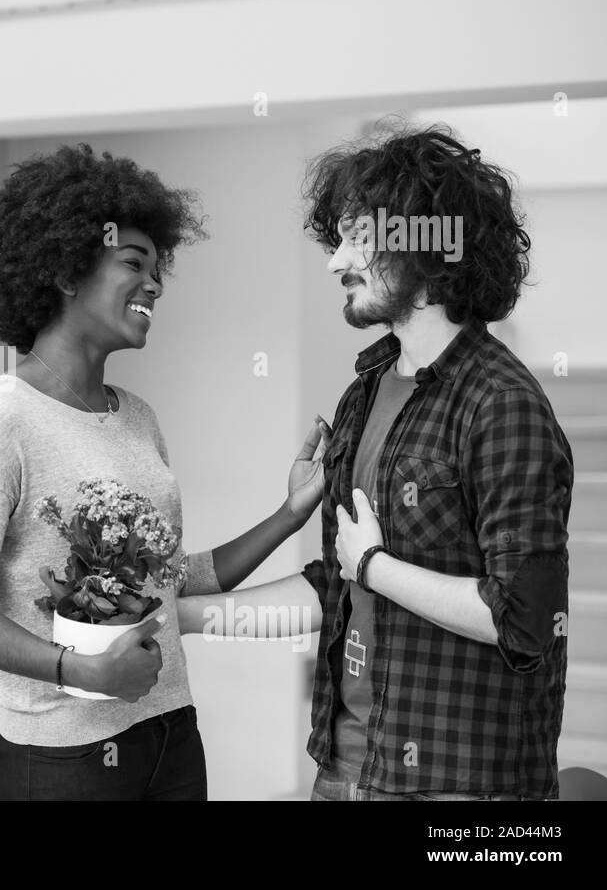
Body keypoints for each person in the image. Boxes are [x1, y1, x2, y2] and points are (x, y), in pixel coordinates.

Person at [0, 143, 328, 801]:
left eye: (156, 266)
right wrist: (78, 667)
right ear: (65, 270)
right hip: (59, 761)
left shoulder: (137, 417)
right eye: (133, 263)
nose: (156, 284)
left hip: (169, 732)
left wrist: (289, 515)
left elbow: (168, 578)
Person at [179, 125, 572, 800]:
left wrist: (375, 566)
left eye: (358, 237)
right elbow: (338, 587)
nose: (336, 262)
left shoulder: (503, 406)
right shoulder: (364, 393)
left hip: (460, 789)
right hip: (345, 773)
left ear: (427, 242)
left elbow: (523, 618)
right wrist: (182, 616)